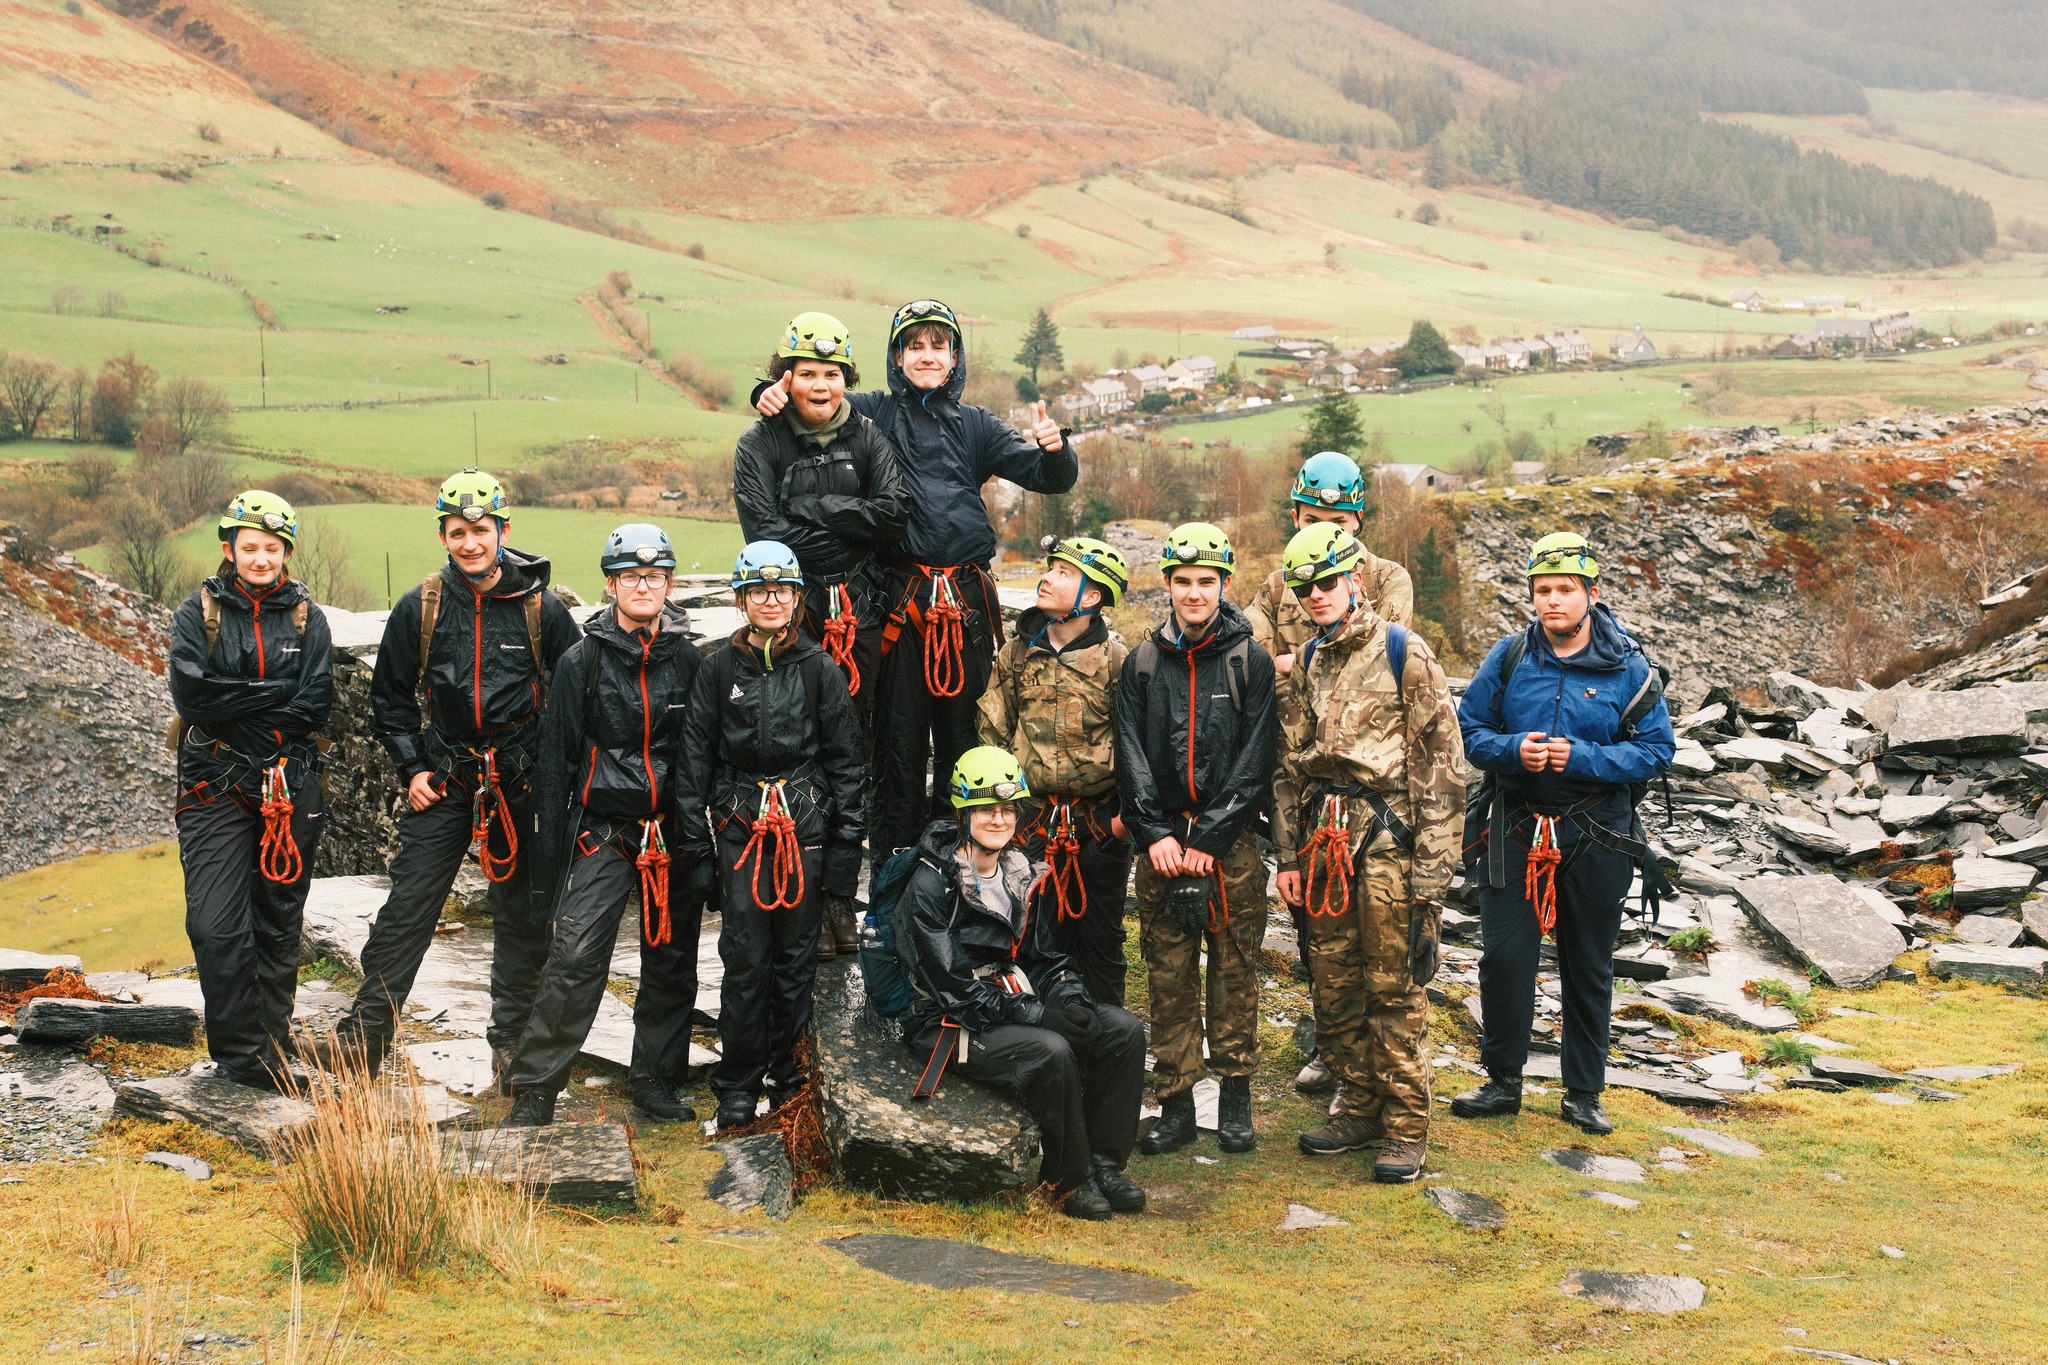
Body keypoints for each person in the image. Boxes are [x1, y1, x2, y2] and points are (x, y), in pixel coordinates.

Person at [759, 298, 1078, 878]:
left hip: (969, 606)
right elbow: (813, 396)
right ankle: (894, 884)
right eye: (916, 345)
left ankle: (960, 878)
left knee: (968, 744)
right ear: (897, 355)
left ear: (955, 357)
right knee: (898, 751)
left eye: (939, 345)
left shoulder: (977, 424)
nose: (928, 356)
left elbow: (1044, 477)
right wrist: (767, 392)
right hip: (901, 603)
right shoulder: (872, 412)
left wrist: (1057, 450)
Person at [312, 471, 579, 1082]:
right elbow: (391, 697)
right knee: (408, 905)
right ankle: (364, 1040)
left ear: (503, 531)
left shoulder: (544, 609)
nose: (469, 543)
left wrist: (551, 777)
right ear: (443, 536)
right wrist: (413, 766)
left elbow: (573, 697)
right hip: (449, 777)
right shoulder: (422, 607)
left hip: (522, 782)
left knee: (523, 913)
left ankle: (512, 1044)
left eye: (480, 531)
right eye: (457, 532)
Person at [1453, 532, 1674, 1136]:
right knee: (1503, 958)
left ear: (1592, 594)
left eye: (1565, 590)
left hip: (1597, 833)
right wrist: (1512, 750)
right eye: (1542, 591)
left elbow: (1657, 752)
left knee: (1588, 962)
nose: (1552, 602)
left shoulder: (1631, 668)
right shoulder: (1509, 658)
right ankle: (1503, 1080)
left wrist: (1579, 758)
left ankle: (1584, 1090)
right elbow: (1470, 729)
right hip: (1515, 825)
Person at [1269, 523, 1464, 1183]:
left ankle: (1406, 1124)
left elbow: (1442, 774)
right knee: (1334, 980)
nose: (1316, 595)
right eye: (1304, 588)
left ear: (1355, 578)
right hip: (1324, 845)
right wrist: (1290, 858)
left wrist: (1431, 887)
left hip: (1388, 846)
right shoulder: (1309, 664)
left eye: (1327, 582)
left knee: (1393, 987)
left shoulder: (1408, 653)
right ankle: (1357, 1103)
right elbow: (1289, 768)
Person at [501, 526, 708, 1126]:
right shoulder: (581, 661)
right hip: (604, 830)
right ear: (611, 585)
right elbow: (557, 759)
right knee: (575, 955)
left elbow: (701, 754)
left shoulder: (690, 660)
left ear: (669, 585)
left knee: (670, 959)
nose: (642, 587)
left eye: (654, 577)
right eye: (630, 577)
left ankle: (657, 1082)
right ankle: (536, 1086)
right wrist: (550, 859)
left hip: (667, 834)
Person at [894, 747, 1148, 1221]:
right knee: (1050, 1049)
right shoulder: (931, 886)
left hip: (1006, 1003)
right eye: (987, 809)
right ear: (963, 812)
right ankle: (1069, 1180)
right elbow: (954, 989)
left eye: (1008, 810)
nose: (999, 819)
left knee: (1122, 1029)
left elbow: (1045, 957)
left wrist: (1069, 998)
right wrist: (1038, 1015)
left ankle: (1105, 1164)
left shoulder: (1021, 872)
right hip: (945, 1020)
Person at [735, 311, 908, 961]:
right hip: (791, 619)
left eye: (832, 373)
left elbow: (894, 516)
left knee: (851, 757)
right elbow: (763, 534)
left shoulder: (867, 438)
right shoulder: (761, 444)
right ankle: (792, 892)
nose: (821, 384)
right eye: (807, 372)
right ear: (786, 377)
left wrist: (816, 511)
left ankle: (838, 894)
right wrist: (847, 522)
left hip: (855, 618)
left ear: (846, 378)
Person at [677, 541, 866, 1132]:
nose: (770, 601)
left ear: (796, 598)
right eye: (758, 591)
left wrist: (842, 859)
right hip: (740, 828)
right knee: (744, 960)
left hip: (803, 829)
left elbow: (846, 765)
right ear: (740, 599)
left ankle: (789, 1078)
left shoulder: (819, 669)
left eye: (780, 590)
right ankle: (736, 1083)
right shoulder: (716, 669)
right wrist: (697, 852)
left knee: (795, 960)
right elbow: (693, 765)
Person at [1245, 450, 1413, 1103]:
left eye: (1340, 521)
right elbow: (1248, 646)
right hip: (1297, 780)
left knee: (1375, 935)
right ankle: (1330, 1042)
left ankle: (1380, 1066)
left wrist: (1299, 659)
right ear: (1295, 514)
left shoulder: (1386, 575)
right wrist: (1281, 661)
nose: (1329, 529)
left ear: (1358, 519)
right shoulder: (1278, 583)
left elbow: (1381, 641)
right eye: (1315, 518)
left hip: (1367, 787)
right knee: (1318, 928)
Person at [1113, 523, 1277, 1157]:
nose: (1194, 594)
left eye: (1206, 582)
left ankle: (1236, 1101)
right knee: (1168, 975)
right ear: (1167, 585)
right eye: (1182, 582)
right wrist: (1152, 832)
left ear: (1225, 584)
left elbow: (1258, 754)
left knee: (1234, 971)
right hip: (1161, 844)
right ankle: (1176, 1102)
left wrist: (1213, 834)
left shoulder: (1249, 660)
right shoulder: (1143, 661)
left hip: (1228, 844)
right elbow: (1128, 751)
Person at [169, 491, 333, 1091]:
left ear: (285, 552)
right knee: (215, 923)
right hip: (215, 784)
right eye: (249, 548)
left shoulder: (306, 618)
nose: (260, 558)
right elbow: (194, 699)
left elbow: (315, 705)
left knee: (277, 917)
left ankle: (270, 1043)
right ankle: (240, 1053)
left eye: (272, 548)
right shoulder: (199, 613)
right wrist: (273, 692)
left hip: (288, 785)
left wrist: (236, 696)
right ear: (228, 550)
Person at [976, 535, 1134, 1006]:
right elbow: (992, 734)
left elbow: (1136, 748)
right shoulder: (1016, 654)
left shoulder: (1119, 662)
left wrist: (1123, 823)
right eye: (1050, 568)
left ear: (1090, 597)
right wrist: (1002, 816)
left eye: (1063, 572)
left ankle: (1106, 1038)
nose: (1046, 577)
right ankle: (1044, 1039)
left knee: (1101, 937)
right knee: (1032, 933)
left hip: (1098, 823)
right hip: (1031, 823)